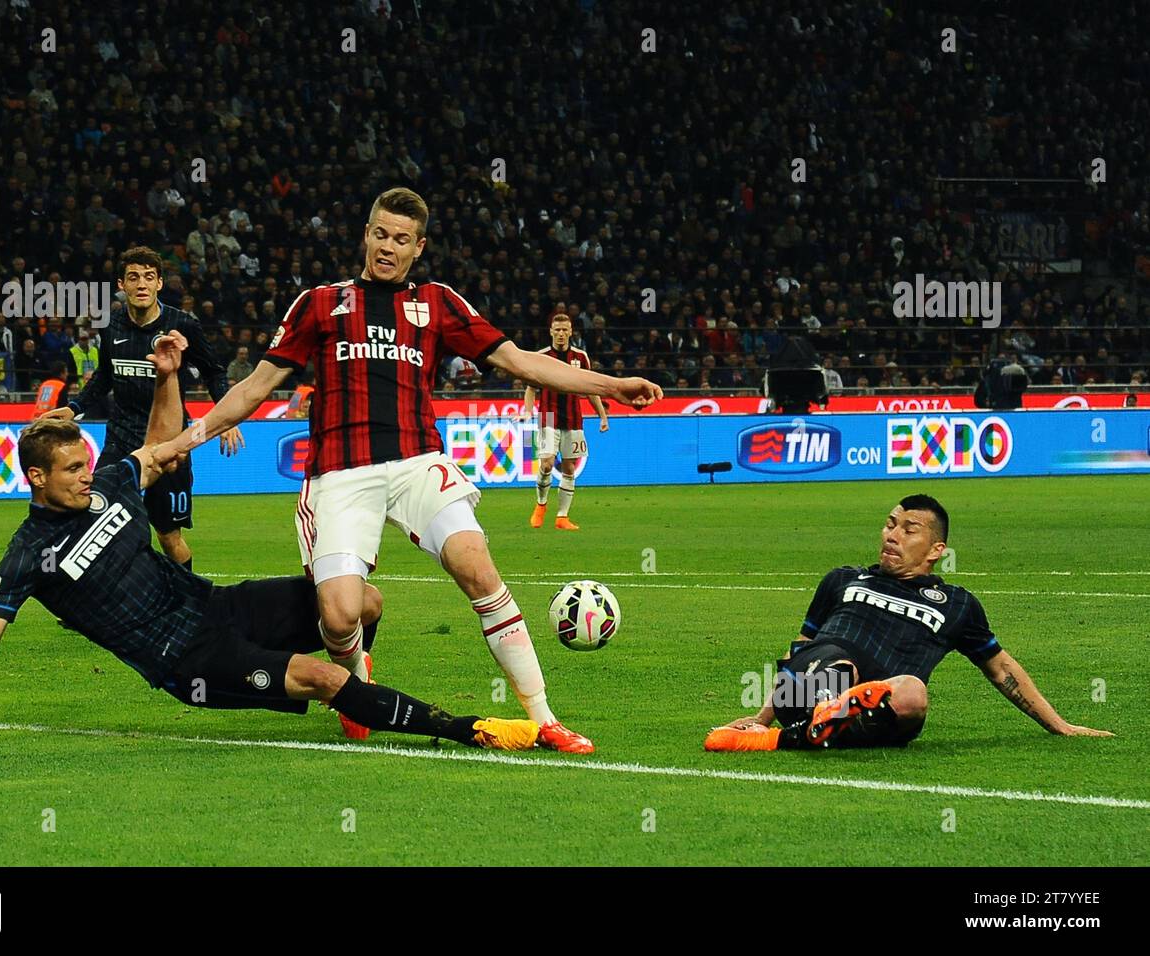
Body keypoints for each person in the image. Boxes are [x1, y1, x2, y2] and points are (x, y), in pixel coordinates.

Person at [154, 187, 663, 752]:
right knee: (342, 614)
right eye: (379, 234)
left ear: (418, 247)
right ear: (365, 234)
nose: (387, 248)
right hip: (340, 473)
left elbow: (522, 362)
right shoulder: (320, 303)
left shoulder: (438, 303)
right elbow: (254, 388)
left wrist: (614, 385)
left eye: (401, 239)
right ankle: (357, 690)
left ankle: (544, 718)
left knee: (478, 568)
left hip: (419, 461)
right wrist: (184, 441)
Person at [0, 331, 537, 754]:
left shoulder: (110, 482)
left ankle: (360, 698)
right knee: (321, 678)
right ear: (36, 479)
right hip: (185, 661)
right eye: (71, 471)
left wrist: (169, 377)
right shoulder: (28, 553)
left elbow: (164, 447)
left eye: (85, 464)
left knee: (361, 603)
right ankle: (469, 728)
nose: (87, 474)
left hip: (215, 607)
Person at [704, 495, 1114, 751]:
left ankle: (817, 729)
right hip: (812, 686)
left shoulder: (956, 605)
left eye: (908, 529)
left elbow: (1002, 669)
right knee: (834, 659)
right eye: (889, 524)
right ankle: (796, 730)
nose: (892, 535)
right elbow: (799, 649)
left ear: (936, 549)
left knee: (914, 694)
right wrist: (761, 717)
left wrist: (1060, 725)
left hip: (878, 717)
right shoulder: (843, 580)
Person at [42, 246, 245, 571]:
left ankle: (186, 599)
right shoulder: (111, 326)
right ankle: (103, 604)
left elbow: (214, 372)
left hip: (169, 447)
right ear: (121, 284)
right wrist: (74, 407)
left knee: (168, 536)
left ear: (159, 284)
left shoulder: (183, 324)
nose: (141, 284)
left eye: (149, 277)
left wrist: (227, 416)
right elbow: (105, 376)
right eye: (133, 277)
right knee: (93, 520)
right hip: (120, 442)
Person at [522, 312, 609, 530]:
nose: (561, 334)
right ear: (551, 332)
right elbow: (531, 388)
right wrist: (528, 411)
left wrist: (602, 415)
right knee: (547, 462)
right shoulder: (541, 357)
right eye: (557, 330)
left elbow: (591, 389)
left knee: (569, 468)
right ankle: (541, 505)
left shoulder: (581, 357)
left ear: (571, 332)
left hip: (573, 418)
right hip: (548, 416)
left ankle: (562, 517)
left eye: (565, 330)